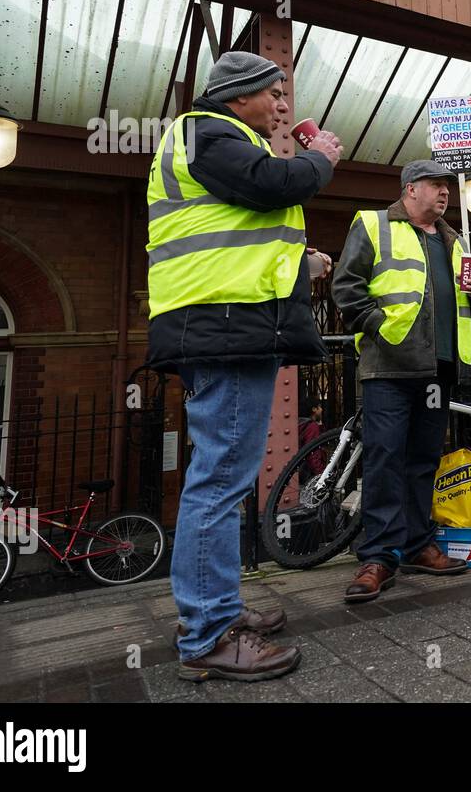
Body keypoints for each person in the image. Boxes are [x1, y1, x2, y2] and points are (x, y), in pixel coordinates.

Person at [145, 50, 342, 681]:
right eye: (274, 95)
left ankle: (216, 610)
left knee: (220, 477)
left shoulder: (214, 138)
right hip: (221, 329)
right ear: (238, 96)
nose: (284, 107)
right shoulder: (209, 132)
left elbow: (239, 228)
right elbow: (275, 184)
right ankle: (207, 634)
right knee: (221, 480)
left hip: (223, 325)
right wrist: (321, 158)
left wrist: (298, 263)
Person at [332, 160, 471, 604]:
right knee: (384, 457)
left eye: (447, 188)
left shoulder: (456, 240)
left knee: (423, 459)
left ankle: (418, 544)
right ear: (410, 189)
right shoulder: (374, 224)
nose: (444, 194)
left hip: (439, 367)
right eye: (436, 186)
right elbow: (347, 286)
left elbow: (466, 305)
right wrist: (378, 325)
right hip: (389, 365)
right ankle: (379, 555)